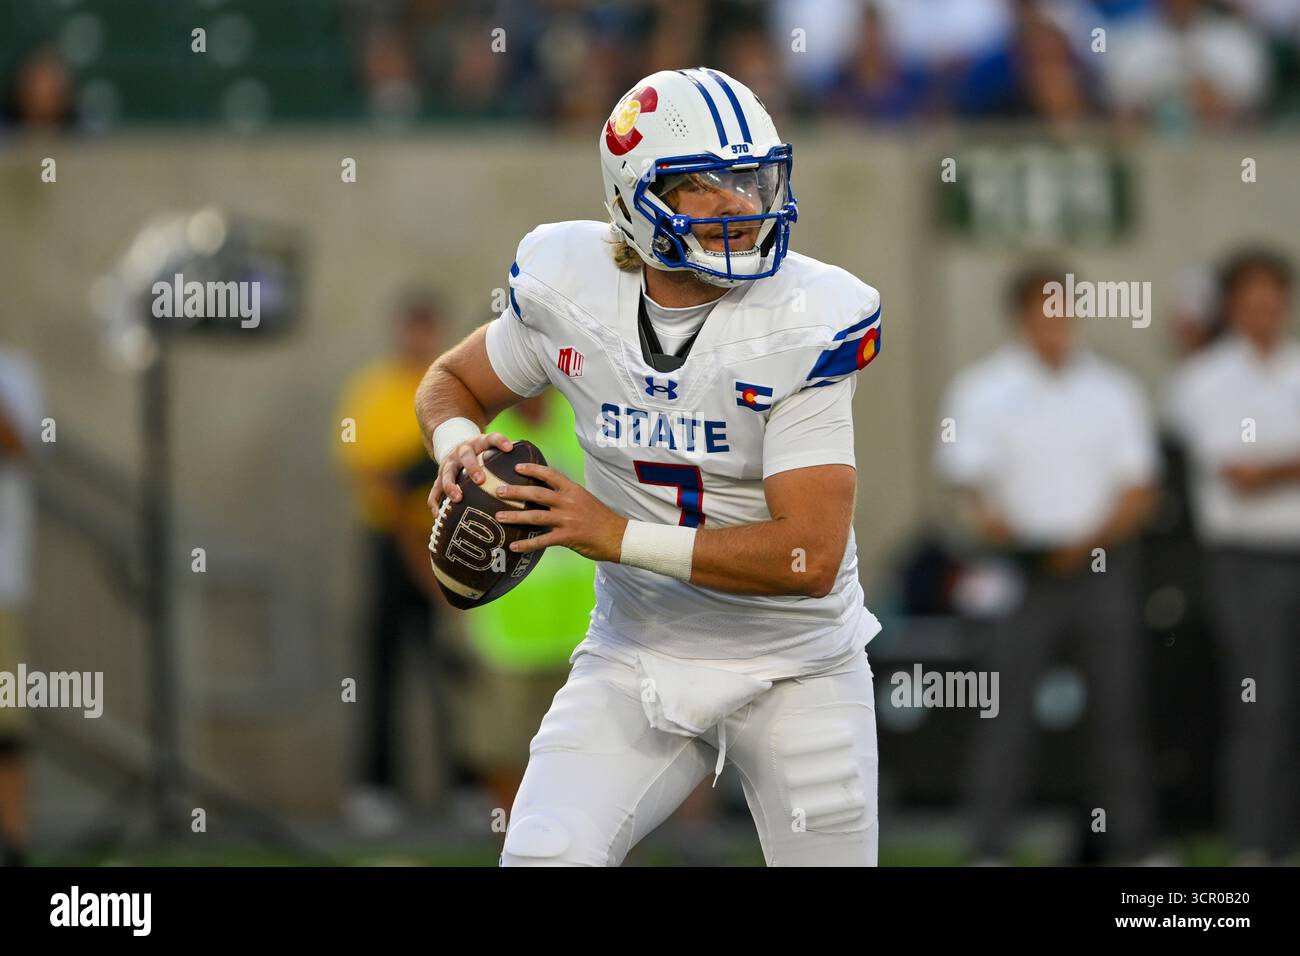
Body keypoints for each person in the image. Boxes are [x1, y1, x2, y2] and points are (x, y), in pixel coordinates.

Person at [416, 68, 884, 866]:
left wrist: (614, 535)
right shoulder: (571, 288)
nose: (740, 202)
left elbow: (809, 556)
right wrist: (457, 443)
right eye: (705, 184)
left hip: (798, 666)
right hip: (639, 652)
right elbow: (449, 382)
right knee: (540, 858)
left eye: (751, 177)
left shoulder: (808, 319)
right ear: (636, 197)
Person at [935, 266, 1160, 864]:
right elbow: (969, 484)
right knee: (1004, 715)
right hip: (1020, 574)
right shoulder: (983, 389)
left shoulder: (1115, 390)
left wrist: (1087, 543)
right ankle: (991, 846)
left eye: (1063, 309)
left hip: (1102, 568)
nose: (1054, 323)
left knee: (1118, 713)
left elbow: (1138, 488)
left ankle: (1132, 848)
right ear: (1020, 316)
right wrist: (1011, 534)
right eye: (1043, 310)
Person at [1165, 247, 1300, 865]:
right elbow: (1238, 472)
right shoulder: (1204, 379)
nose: (1265, 312)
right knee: (1260, 706)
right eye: (1252, 301)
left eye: (1274, 299)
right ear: (1231, 306)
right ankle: (1254, 846)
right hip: (1246, 563)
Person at [334, 290, 456, 833]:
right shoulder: (375, 390)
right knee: (383, 669)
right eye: (412, 328)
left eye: (428, 329)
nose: (419, 340)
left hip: (451, 541)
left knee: (452, 671)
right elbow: (372, 473)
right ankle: (376, 788)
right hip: (390, 544)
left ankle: (469, 785)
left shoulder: (450, 384)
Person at [460, 390, 594, 815]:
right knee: (505, 753)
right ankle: (521, 846)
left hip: (583, 630)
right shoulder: (488, 443)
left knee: (595, 758)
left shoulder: (584, 424)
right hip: (509, 635)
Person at [0, 347, 44, 867]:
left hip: (2, 582)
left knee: (6, 723)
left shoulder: (14, 370)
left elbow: (20, 445)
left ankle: (12, 843)